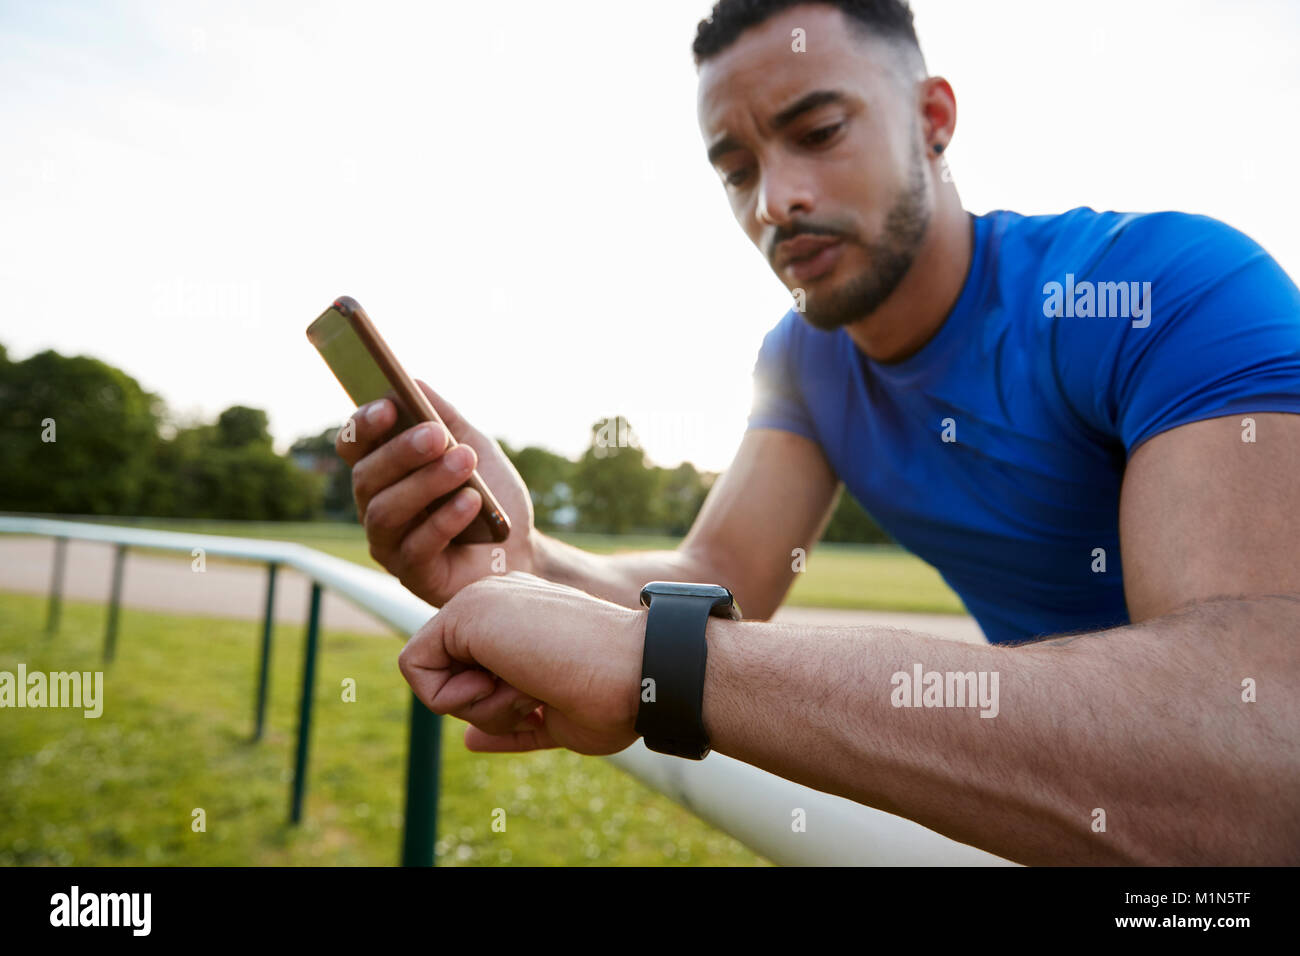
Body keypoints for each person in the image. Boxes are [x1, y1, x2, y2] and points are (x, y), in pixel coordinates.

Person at [336, 0, 1300, 865]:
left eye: (819, 131)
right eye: (737, 168)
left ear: (932, 118)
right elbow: (719, 578)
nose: (774, 202)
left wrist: (666, 666)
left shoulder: (1170, 287)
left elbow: (1261, 753)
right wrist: (523, 554)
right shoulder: (803, 358)